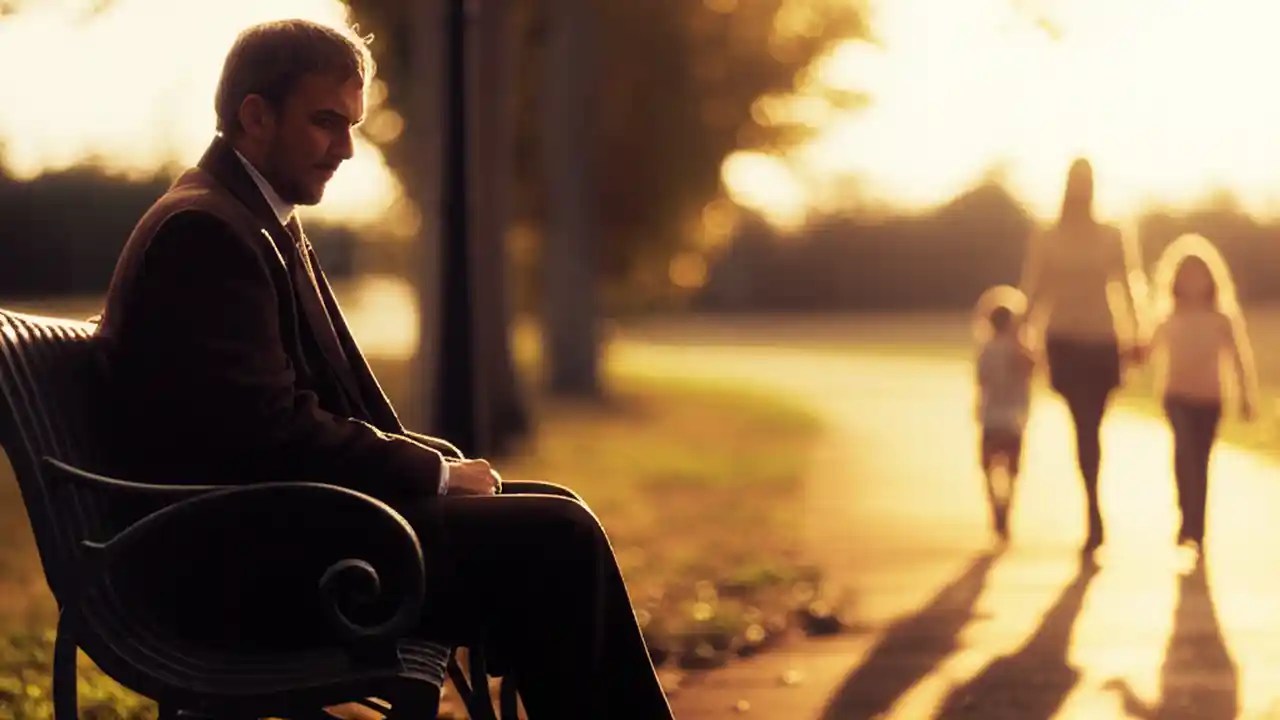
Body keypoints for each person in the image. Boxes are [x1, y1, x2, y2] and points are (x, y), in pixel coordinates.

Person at [95, 19, 674, 719]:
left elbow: (283, 419)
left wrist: (433, 464)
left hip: (276, 532)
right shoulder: (207, 232)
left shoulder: (246, 216)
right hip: (228, 570)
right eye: (324, 123)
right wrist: (428, 475)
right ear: (255, 115)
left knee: (556, 513)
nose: (343, 149)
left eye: (351, 127)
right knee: (557, 543)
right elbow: (269, 431)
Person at [1020, 158, 1145, 554]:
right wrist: (1020, 335)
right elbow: (1034, 287)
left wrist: (1139, 333)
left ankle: (1092, 504)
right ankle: (1093, 506)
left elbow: (1128, 285)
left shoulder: (1111, 235)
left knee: (1092, 424)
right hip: (1064, 341)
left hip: (1102, 340)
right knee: (1084, 425)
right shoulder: (1048, 235)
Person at [1144, 233, 1257, 552]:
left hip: (1210, 398)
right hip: (1176, 395)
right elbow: (1146, 350)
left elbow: (1239, 357)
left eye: (1199, 275)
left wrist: (1248, 396)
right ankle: (1185, 519)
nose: (1193, 282)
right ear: (1176, 280)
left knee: (1201, 460)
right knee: (1183, 455)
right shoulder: (1169, 317)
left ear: (1211, 279)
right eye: (1186, 275)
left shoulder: (1221, 318)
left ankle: (1198, 528)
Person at [973, 286, 1035, 542]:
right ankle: (1007, 504)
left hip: (991, 418)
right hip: (1014, 421)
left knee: (988, 467)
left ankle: (994, 505)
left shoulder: (986, 350)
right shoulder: (1021, 351)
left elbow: (981, 380)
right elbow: (1033, 373)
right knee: (1012, 470)